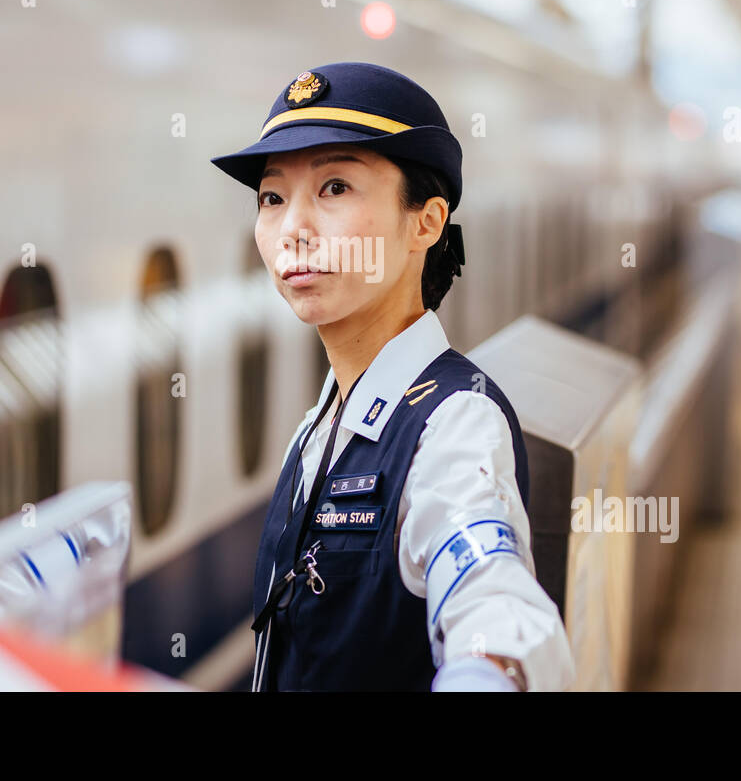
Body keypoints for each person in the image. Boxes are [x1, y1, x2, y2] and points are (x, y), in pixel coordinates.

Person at [210, 62, 575, 691]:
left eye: (335, 189)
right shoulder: (326, 421)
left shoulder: (454, 425)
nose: (292, 229)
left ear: (426, 223)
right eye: (273, 197)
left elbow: (493, 606)